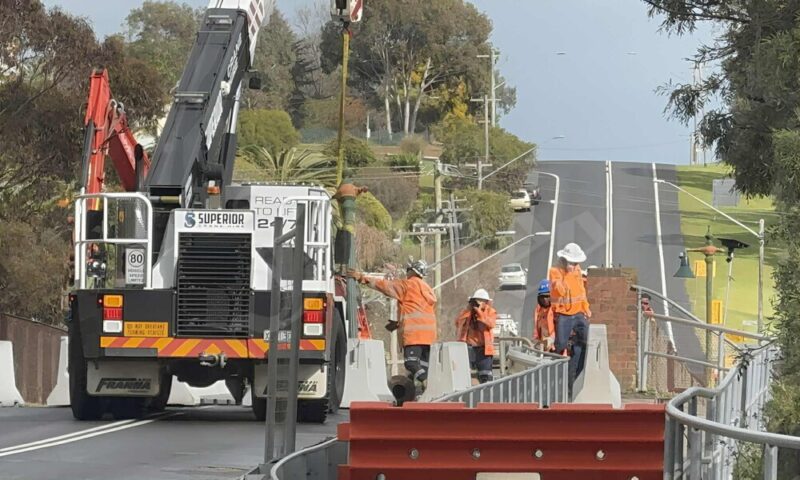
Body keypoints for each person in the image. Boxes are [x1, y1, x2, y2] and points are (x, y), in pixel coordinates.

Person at [348, 260, 437, 390]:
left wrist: (362, 278)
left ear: (413, 271)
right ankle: (421, 392)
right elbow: (417, 311)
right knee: (422, 366)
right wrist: (399, 323)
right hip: (428, 336)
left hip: (414, 335)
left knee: (411, 363)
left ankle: (426, 382)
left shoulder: (408, 285)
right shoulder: (426, 289)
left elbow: (385, 286)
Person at [549, 242, 592, 394]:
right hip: (564, 314)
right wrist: (567, 273)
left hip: (579, 313)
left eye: (576, 263)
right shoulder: (555, 271)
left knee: (586, 341)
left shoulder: (578, 270)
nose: (575, 265)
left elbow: (581, 291)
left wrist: (586, 308)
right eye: (572, 263)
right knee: (560, 345)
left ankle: (577, 372)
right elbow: (560, 291)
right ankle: (555, 375)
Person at [455, 289, 497, 383]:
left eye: (482, 301)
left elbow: (490, 324)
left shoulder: (491, 311)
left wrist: (479, 312)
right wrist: (468, 310)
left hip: (484, 349)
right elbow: (458, 322)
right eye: (477, 300)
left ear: (487, 302)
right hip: (469, 347)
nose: (479, 303)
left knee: (485, 376)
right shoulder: (468, 312)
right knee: (465, 376)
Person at [533, 279, 555, 352]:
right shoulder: (538, 310)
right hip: (544, 348)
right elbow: (537, 329)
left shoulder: (557, 309)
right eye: (542, 297)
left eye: (547, 296)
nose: (545, 299)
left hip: (556, 348)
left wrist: (552, 339)